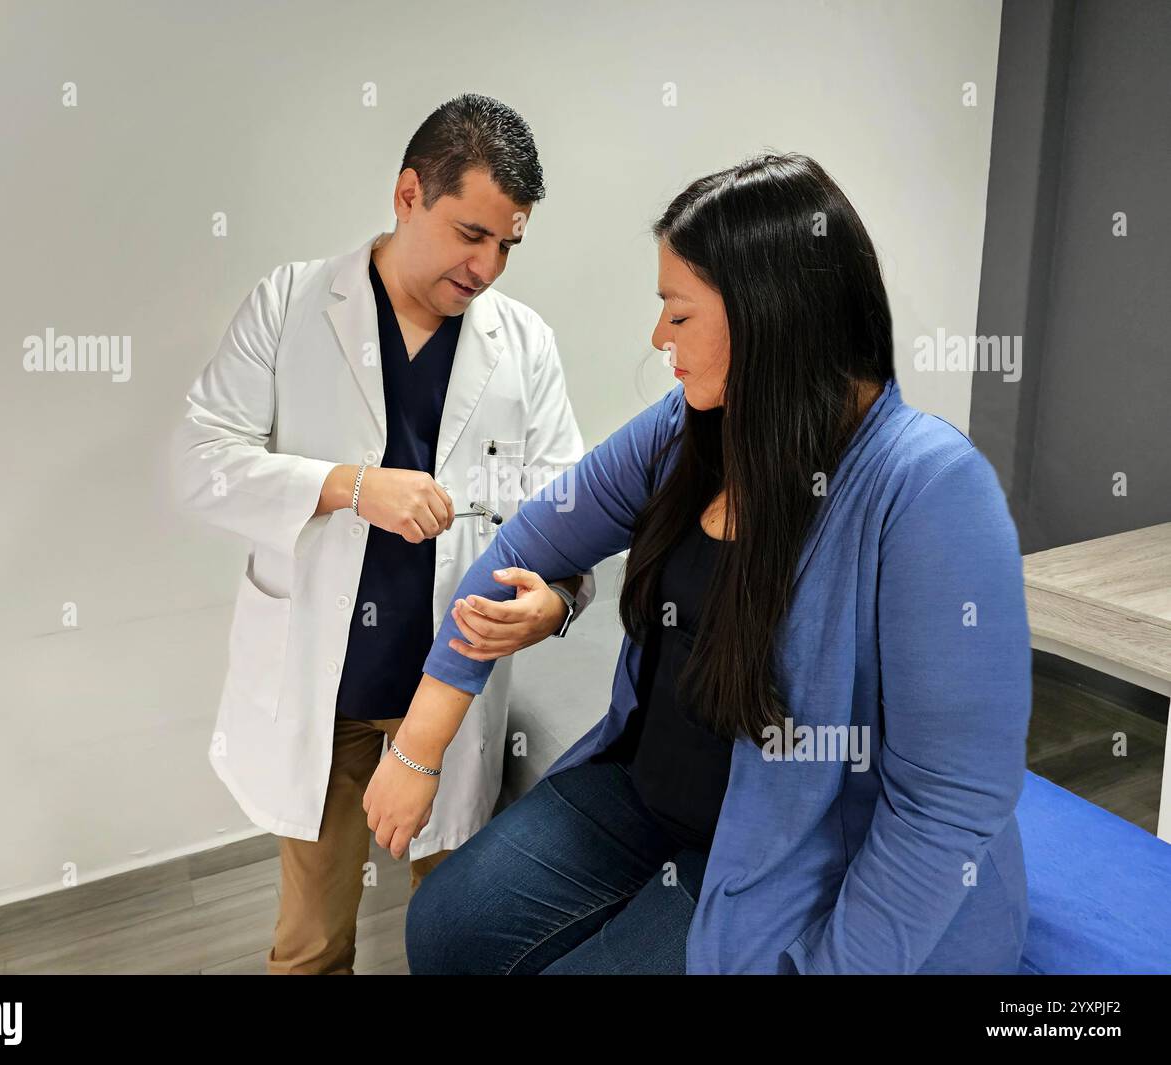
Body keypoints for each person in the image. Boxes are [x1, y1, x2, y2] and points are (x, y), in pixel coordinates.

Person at [365, 152, 1033, 974]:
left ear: (767, 317)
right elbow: (521, 547)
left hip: (799, 854)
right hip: (653, 801)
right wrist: (417, 748)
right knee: (443, 926)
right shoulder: (685, 430)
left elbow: (947, 807)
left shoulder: (928, 491)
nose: (658, 339)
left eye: (677, 315)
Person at [172, 94, 595, 974]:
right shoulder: (289, 305)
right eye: (470, 233)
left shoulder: (524, 344)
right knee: (313, 944)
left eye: (508, 244)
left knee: (457, 935)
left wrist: (557, 600)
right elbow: (201, 462)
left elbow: (570, 508)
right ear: (409, 194)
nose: (487, 267)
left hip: (449, 701)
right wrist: (347, 488)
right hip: (324, 700)